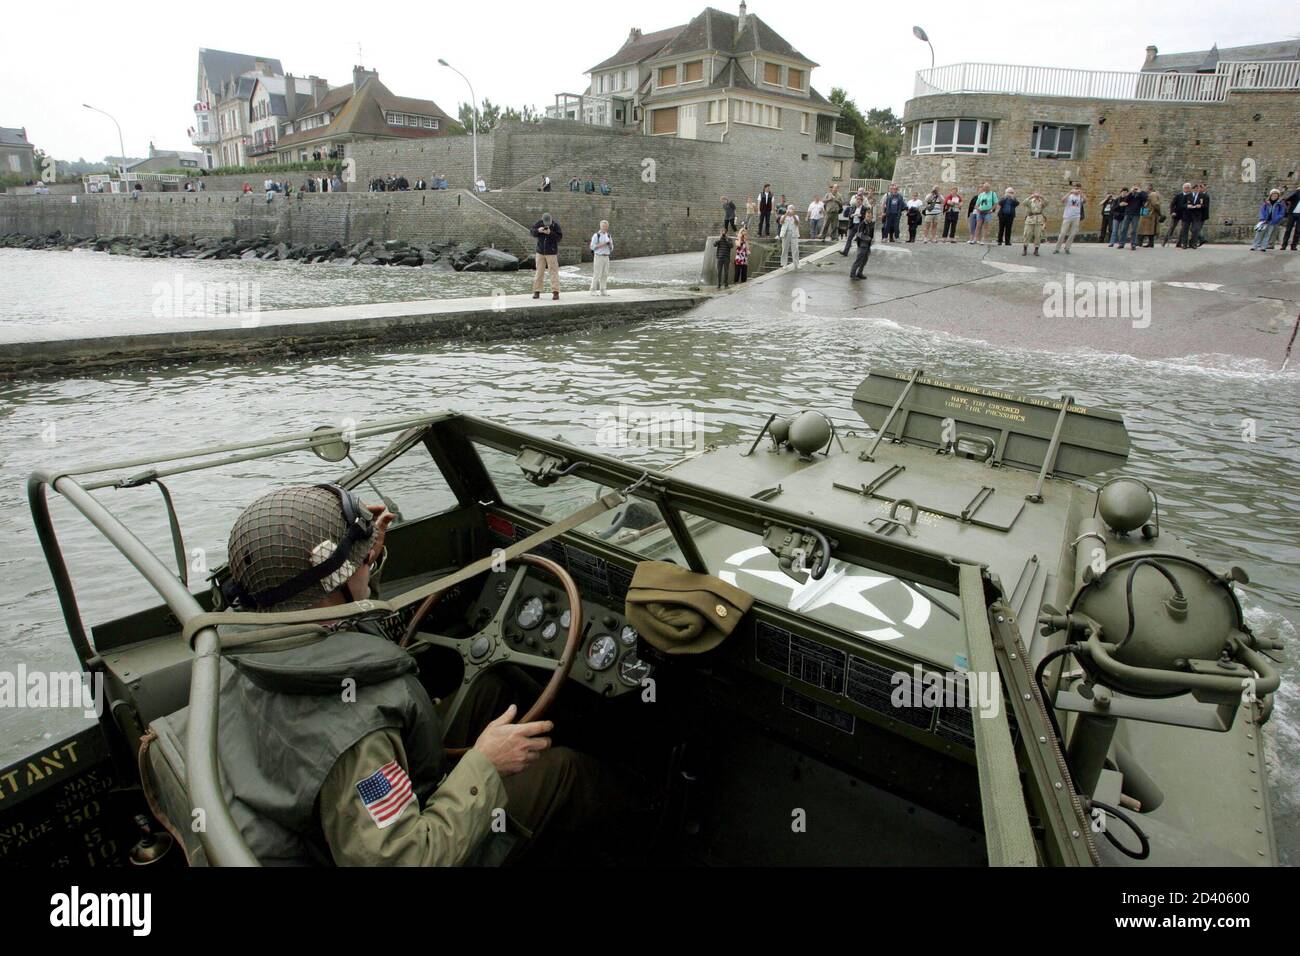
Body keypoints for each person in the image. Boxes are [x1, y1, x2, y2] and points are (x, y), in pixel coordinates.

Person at [184, 485, 610, 867]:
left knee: (490, 687)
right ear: (338, 582)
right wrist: (485, 764)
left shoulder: (241, 637)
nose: (367, 562)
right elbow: (403, 859)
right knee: (566, 770)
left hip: (300, 796)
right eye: (358, 562)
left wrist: (361, 566)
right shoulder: (357, 738)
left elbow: (333, 617)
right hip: (407, 845)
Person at [531, 213, 562, 300]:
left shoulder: (556, 226)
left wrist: (550, 233)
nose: (546, 225)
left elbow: (559, 238)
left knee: (553, 272)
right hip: (540, 252)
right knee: (539, 272)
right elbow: (532, 232)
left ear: (551, 220)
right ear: (542, 220)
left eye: (548, 223)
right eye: (545, 223)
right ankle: (536, 291)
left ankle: (556, 292)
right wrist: (538, 231)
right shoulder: (539, 223)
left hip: (551, 253)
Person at [1054, 186, 1084, 253]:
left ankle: (1067, 248)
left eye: (1078, 189)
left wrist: (1081, 194)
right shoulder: (1070, 196)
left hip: (1076, 217)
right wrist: (1069, 192)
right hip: (1067, 216)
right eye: (1076, 189)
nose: (1077, 190)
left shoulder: (1080, 196)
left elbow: (1085, 201)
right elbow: (1062, 200)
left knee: (1073, 233)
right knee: (1063, 233)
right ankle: (1057, 248)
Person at [849, 204, 874, 280]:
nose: (869, 218)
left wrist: (871, 240)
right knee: (859, 260)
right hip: (862, 245)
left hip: (868, 245)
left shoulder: (871, 224)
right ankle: (852, 274)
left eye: (870, 217)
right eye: (867, 216)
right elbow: (859, 234)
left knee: (865, 260)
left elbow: (871, 235)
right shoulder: (862, 224)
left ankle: (860, 273)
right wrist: (868, 238)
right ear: (865, 216)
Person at [1118, 182, 1146, 250]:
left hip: (1136, 214)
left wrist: (1140, 192)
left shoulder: (1142, 194)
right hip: (1128, 213)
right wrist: (1131, 192)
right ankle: (1121, 243)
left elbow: (1145, 198)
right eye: (1134, 187)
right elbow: (1125, 200)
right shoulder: (1130, 194)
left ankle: (1133, 244)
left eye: (1137, 187)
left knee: (1134, 230)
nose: (1135, 189)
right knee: (1124, 229)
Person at [589, 220, 613, 295]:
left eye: (606, 226)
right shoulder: (596, 235)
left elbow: (612, 248)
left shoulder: (609, 236)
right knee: (597, 274)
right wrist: (603, 244)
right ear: (600, 226)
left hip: (606, 256)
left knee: (605, 274)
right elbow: (592, 247)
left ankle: (603, 290)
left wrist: (609, 245)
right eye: (603, 226)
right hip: (598, 256)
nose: (605, 228)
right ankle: (592, 290)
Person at [1022, 191, 1047, 256]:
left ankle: (1036, 250)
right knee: (1027, 234)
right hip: (1030, 219)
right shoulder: (1030, 201)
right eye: (1035, 194)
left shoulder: (1041, 201)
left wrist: (1042, 197)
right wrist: (1030, 197)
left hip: (1039, 220)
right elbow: (1024, 203)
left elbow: (1047, 203)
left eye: (1038, 194)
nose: (1036, 196)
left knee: (1038, 236)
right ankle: (1025, 249)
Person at [1280, 186, 1300, 251]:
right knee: (1288, 229)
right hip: (1292, 213)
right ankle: (1284, 245)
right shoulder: (1297, 192)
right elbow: (1287, 199)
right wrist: (1288, 206)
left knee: (1298, 230)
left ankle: (1293, 246)